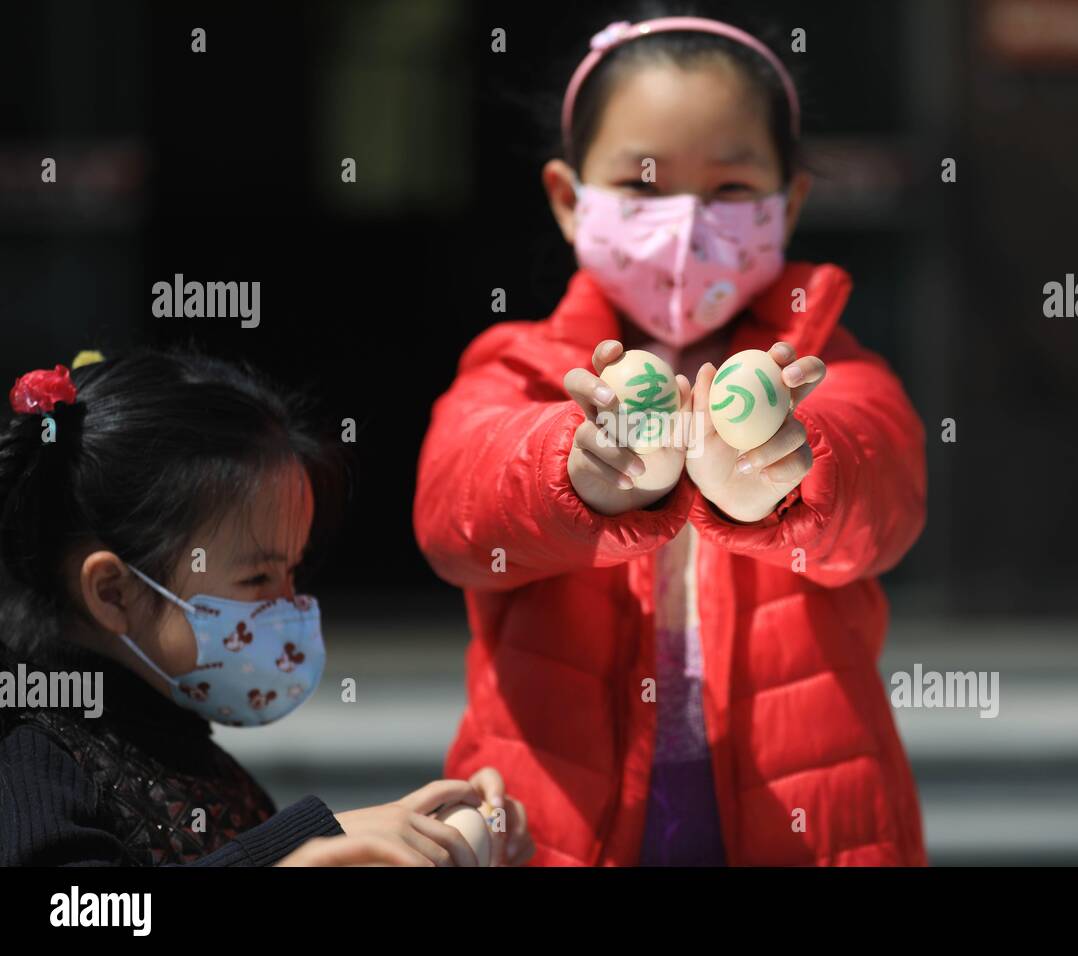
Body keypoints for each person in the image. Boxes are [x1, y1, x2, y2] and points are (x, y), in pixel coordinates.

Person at [414, 13, 927, 865]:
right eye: (643, 188)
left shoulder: (834, 367)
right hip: (557, 824)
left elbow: (885, 503)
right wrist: (577, 475)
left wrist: (785, 470)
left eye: (730, 191)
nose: (686, 223)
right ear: (568, 200)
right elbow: (454, 517)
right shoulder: (518, 369)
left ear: (788, 202)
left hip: (809, 817)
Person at [0, 350, 534, 866]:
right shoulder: (31, 761)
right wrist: (303, 846)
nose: (291, 606)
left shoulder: (200, 763)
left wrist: (435, 836)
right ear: (113, 592)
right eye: (257, 576)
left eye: (293, 572)